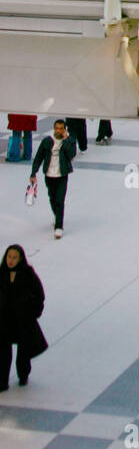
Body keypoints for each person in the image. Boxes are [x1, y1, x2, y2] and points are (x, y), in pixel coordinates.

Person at [0, 246, 47, 390]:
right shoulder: (1, 274)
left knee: (23, 351)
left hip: (22, 319)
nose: (11, 261)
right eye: (9, 257)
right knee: (2, 352)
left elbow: (39, 294)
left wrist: (33, 312)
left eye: (14, 257)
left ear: (20, 258)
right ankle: (2, 381)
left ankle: (23, 375)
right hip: (4, 319)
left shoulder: (27, 274)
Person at [30, 119, 77, 239]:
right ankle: (57, 215)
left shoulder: (70, 140)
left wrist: (66, 140)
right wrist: (33, 173)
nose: (59, 131)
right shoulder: (47, 141)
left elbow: (71, 154)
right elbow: (39, 157)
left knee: (60, 200)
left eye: (61, 128)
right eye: (57, 128)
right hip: (49, 174)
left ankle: (59, 227)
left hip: (62, 174)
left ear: (65, 130)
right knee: (52, 197)